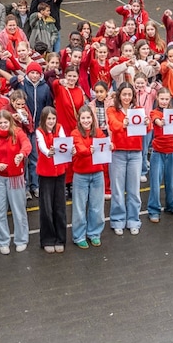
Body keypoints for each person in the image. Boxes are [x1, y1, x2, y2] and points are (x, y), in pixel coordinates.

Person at [0, 110, 31, 254]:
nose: (3, 125)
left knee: (19, 210)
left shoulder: (18, 133)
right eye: (1, 123)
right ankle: (2, 241)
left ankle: (21, 239)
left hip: (15, 177)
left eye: (6, 122)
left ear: (10, 122)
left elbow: (27, 145)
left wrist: (21, 154)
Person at [106, 85, 144, 235]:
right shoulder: (112, 110)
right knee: (117, 190)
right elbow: (113, 125)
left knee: (134, 190)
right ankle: (117, 220)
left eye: (129, 94)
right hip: (118, 153)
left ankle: (134, 220)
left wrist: (146, 124)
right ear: (119, 95)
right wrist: (124, 124)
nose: (127, 97)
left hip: (135, 153)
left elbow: (145, 131)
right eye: (124, 94)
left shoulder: (138, 109)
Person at [69, 106, 106, 247]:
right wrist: (89, 150)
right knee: (79, 207)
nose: (86, 120)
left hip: (97, 173)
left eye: (88, 117)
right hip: (81, 175)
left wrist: (110, 146)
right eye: (83, 118)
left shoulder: (98, 132)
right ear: (79, 119)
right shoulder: (75, 133)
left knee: (97, 206)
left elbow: (104, 144)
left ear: (92, 118)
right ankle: (79, 236)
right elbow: (80, 149)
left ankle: (94, 233)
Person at [34, 107, 69, 249]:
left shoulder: (59, 128)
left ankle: (60, 239)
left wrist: (68, 148)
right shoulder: (39, 131)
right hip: (46, 174)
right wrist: (49, 152)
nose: (51, 121)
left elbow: (63, 141)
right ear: (43, 119)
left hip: (60, 173)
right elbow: (42, 146)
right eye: (48, 119)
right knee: (47, 209)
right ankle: (47, 239)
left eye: (53, 118)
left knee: (60, 207)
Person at [147, 89, 173, 216]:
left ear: (170, 100)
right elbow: (155, 119)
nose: (164, 101)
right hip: (158, 151)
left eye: (166, 99)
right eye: (161, 99)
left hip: (172, 151)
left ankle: (172, 206)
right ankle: (153, 210)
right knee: (155, 183)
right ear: (157, 98)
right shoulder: (154, 112)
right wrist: (159, 122)